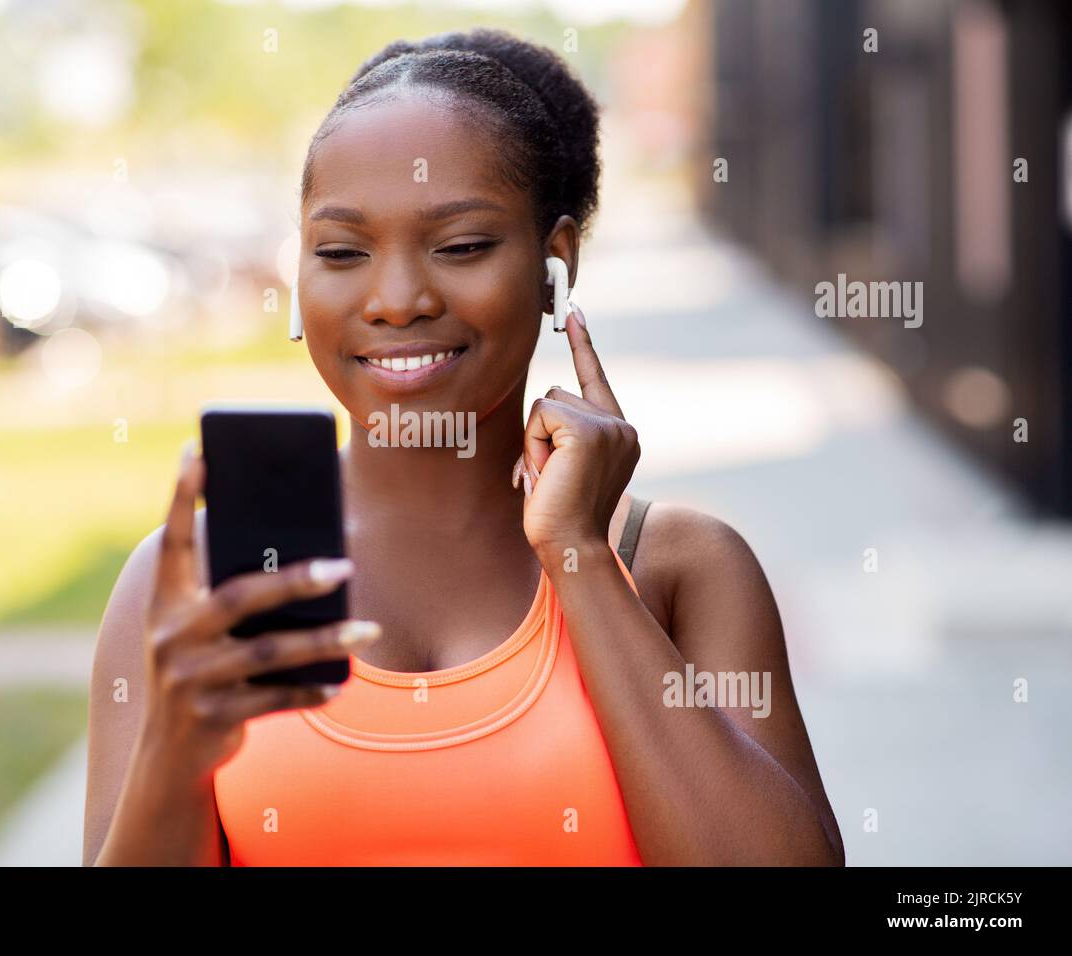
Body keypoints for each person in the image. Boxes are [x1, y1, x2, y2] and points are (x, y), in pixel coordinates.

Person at [83, 27, 843, 866]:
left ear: (555, 265)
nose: (398, 298)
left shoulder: (677, 568)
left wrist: (579, 556)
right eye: (341, 252)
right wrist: (173, 754)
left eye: (461, 247)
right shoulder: (192, 585)